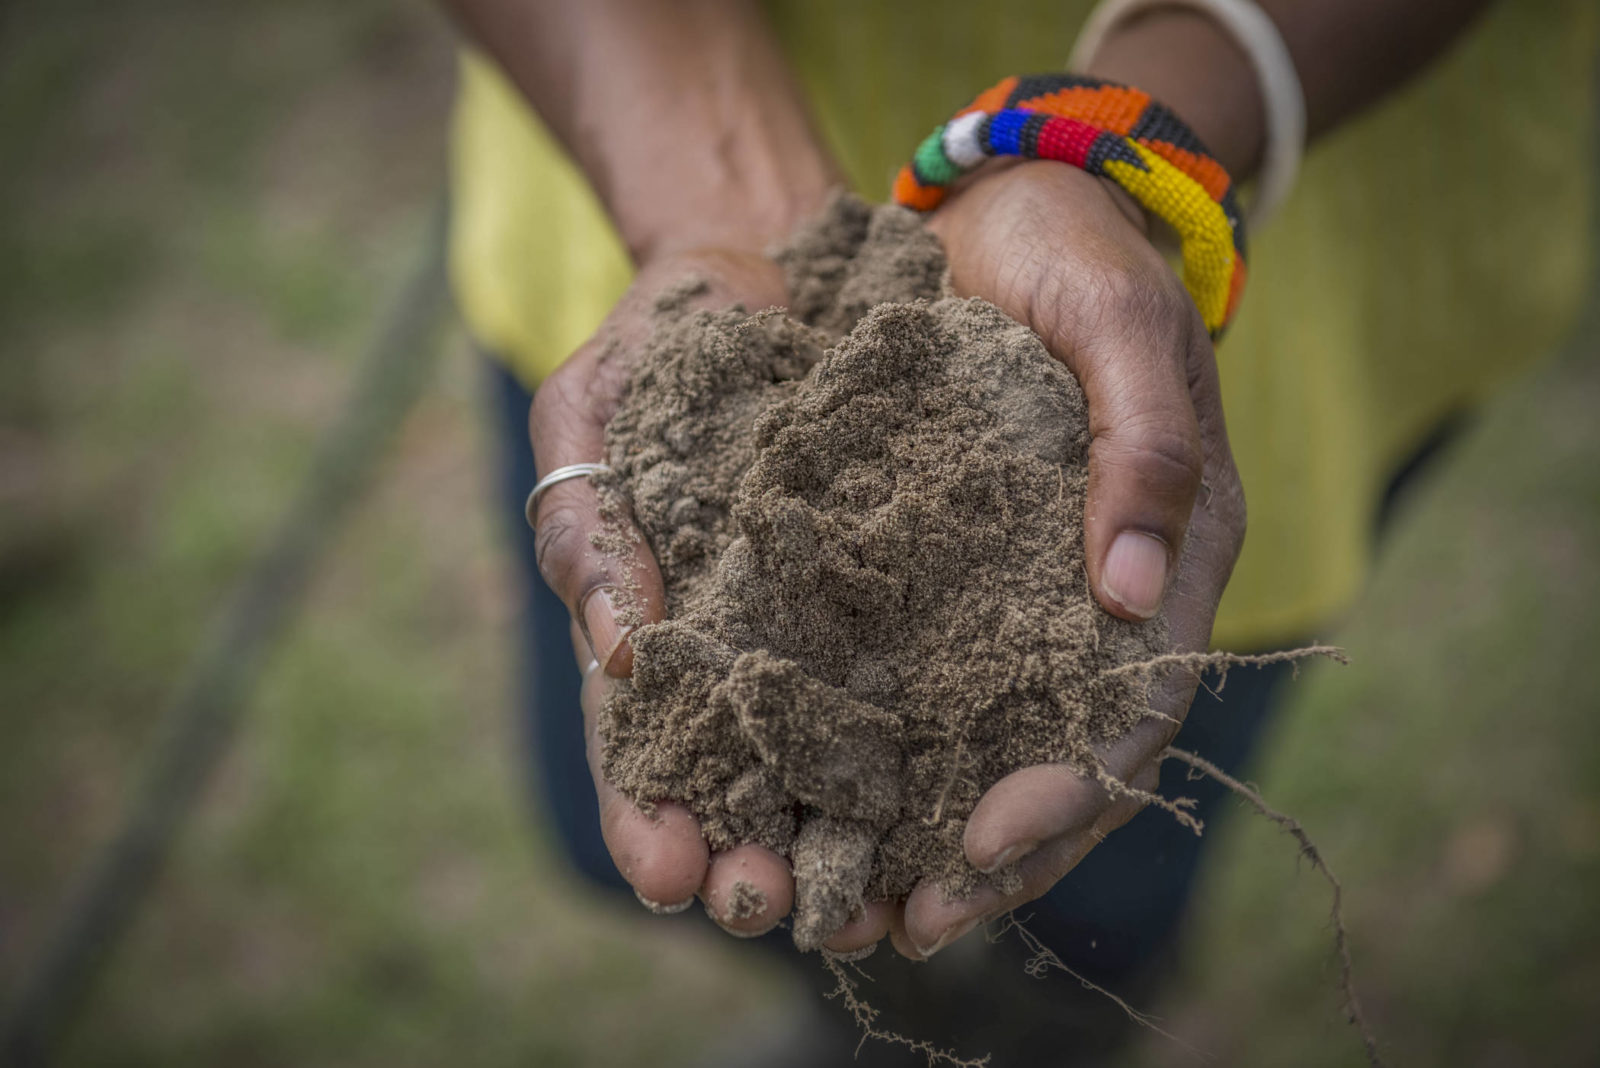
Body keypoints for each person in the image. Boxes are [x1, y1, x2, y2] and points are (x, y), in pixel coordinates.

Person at [442, 0, 1595, 1061]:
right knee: (644, 832)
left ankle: (1049, 1036)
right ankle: (873, 1025)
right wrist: (710, 199)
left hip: (1281, 255)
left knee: (1101, 894)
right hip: (639, 124)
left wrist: (1117, 150)